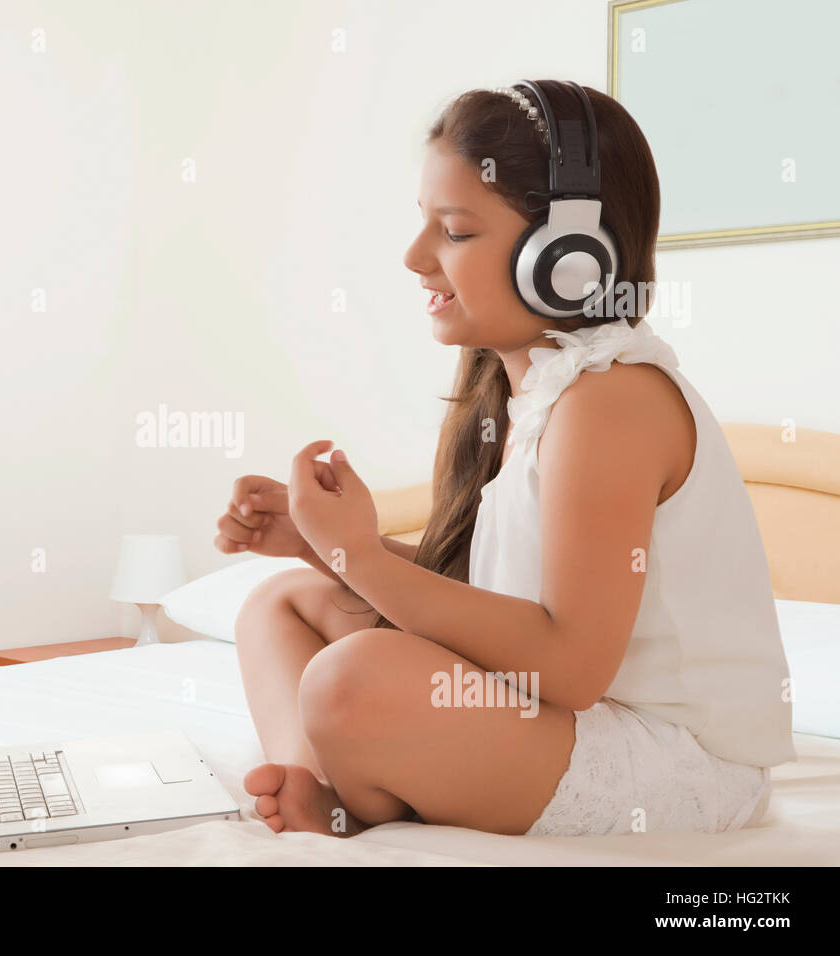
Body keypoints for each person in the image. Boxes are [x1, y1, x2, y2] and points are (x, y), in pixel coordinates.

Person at [218, 81, 795, 837]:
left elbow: (571, 669)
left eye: (455, 232)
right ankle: (321, 784)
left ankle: (355, 793)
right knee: (281, 601)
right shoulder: (530, 395)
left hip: (672, 760)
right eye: (424, 224)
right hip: (553, 716)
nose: (415, 258)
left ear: (567, 259)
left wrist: (359, 554)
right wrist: (316, 546)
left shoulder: (611, 401)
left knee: (351, 679)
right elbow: (483, 613)